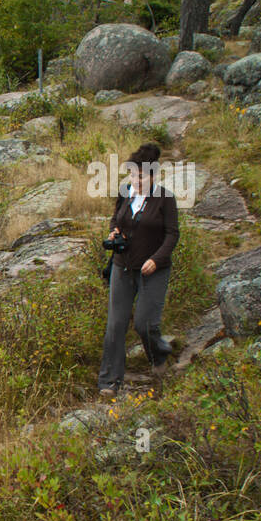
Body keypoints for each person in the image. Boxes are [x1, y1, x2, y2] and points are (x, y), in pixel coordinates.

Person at [97, 142, 179, 398]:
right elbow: (116, 218)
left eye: (141, 176)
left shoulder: (165, 199)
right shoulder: (125, 192)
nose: (136, 180)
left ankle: (159, 354)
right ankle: (110, 381)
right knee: (116, 324)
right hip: (122, 267)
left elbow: (172, 234)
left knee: (145, 324)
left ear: (154, 175)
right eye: (132, 175)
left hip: (153, 269)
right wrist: (115, 231)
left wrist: (156, 259)